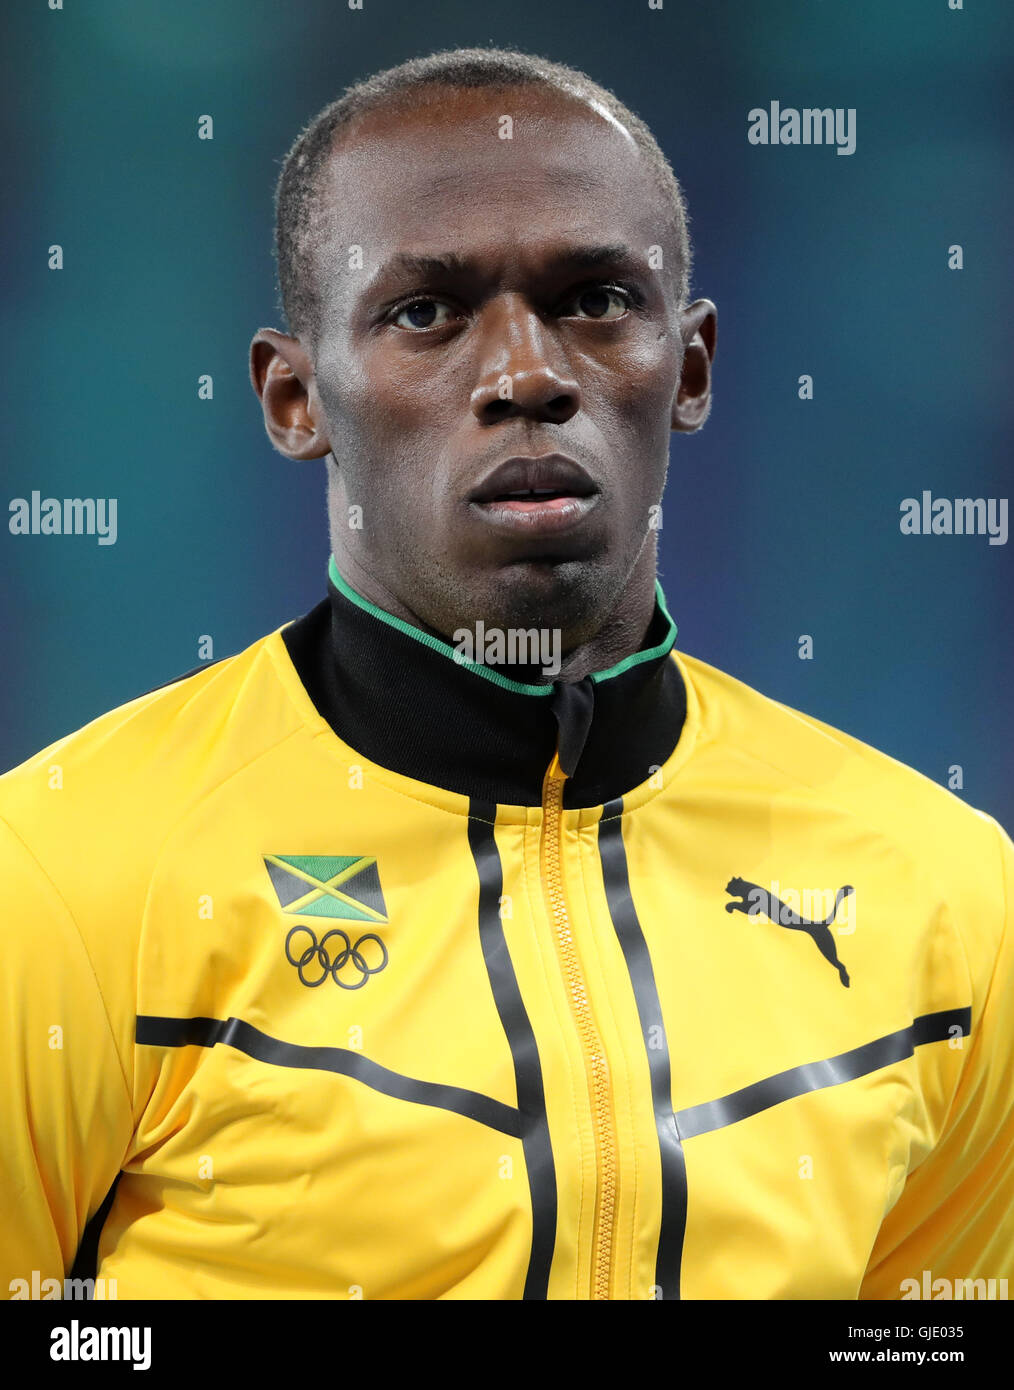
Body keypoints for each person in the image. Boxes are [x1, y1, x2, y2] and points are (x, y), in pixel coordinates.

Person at [1, 46, 1011, 1302]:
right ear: (294, 396)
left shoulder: (948, 891)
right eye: (424, 312)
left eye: (594, 299)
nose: (529, 376)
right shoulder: (53, 873)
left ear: (688, 368)